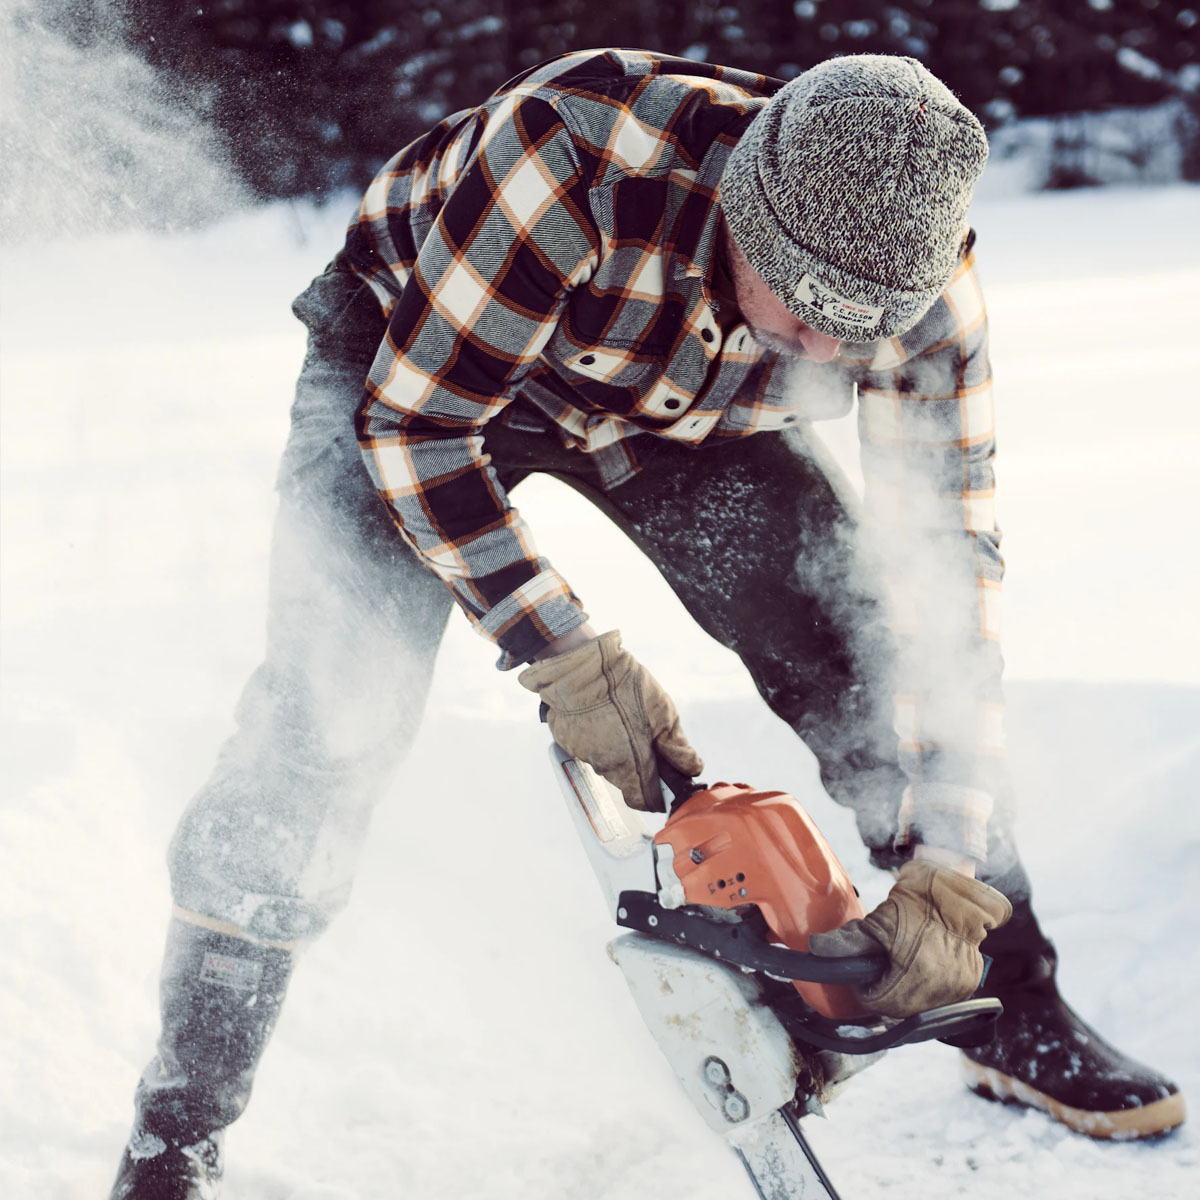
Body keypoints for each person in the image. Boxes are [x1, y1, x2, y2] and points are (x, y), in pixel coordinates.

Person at [109, 49, 1185, 1198]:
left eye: (865, 329)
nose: (831, 349)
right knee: (324, 723)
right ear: (747, 218)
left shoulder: (922, 304)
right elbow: (417, 433)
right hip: (424, 362)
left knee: (870, 664)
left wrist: (951, 855)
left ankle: (1009, 1007)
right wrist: (563, 651)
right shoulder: (572, 156)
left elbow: (948, 582)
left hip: (699, 410)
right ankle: (178, 1131)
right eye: (814, 310)